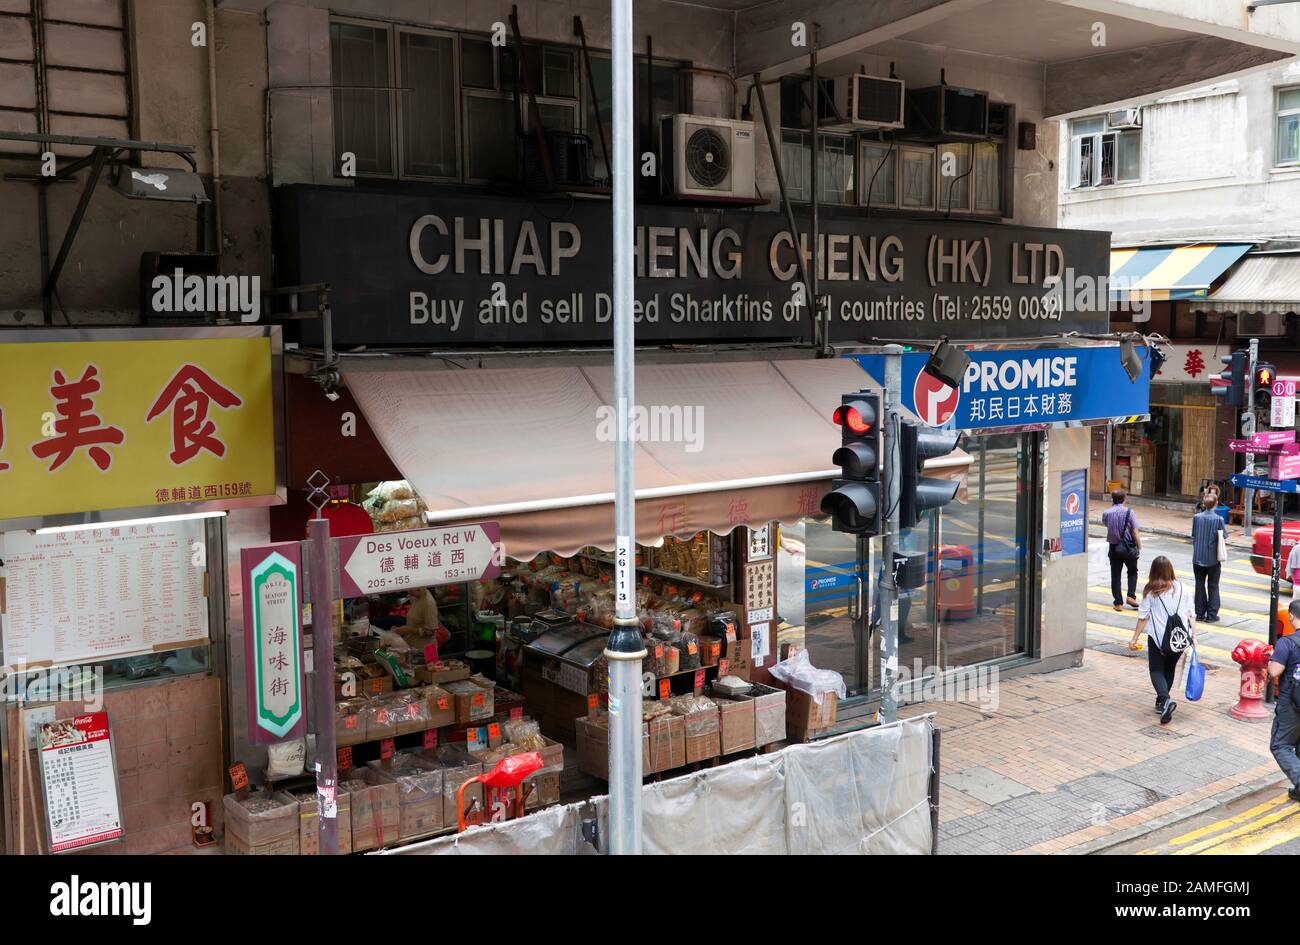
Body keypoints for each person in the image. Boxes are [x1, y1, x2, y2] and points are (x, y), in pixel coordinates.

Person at [1129, 556, 1195, 724]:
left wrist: (1134, 638)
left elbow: (1143, 617)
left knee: (1156, 670)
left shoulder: (1152, 592)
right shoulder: (1184, 588)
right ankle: (1162, 702)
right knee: (1169, 668)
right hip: (1179, 639)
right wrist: (1193, 637)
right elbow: (1190, 615)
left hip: (1158, 639)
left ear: (1153, 572)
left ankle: (1165, 700)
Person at [1268, 603, 1300, 802]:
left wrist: (1271, 659)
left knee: (1280, 745)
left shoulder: (1287, 643)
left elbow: (1274, 671)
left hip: (1292, 704)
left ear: (1290, 616)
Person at [1190, 494, 1227, 622]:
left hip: (1198, 556)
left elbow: (1194, 535)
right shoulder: (1218, 519)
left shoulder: (1197, 518)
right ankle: (1211, 615)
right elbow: (1224, 536)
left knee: (1199, 585)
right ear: (1216, 504)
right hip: (1212, 558)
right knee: (1213, 585)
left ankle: (1199, 614)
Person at [1103, 488, 1141, 612]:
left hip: (1114, 547)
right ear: (1124, 499)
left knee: (1115, 575)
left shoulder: (1107, 513)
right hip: (1129, 547)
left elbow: (1106, 524)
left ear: (1112, 499)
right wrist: (1139, 545)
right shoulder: (1130, 512)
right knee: (1132, 571)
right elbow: (1135, 531)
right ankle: (1131, 596)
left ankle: (1118, 603)